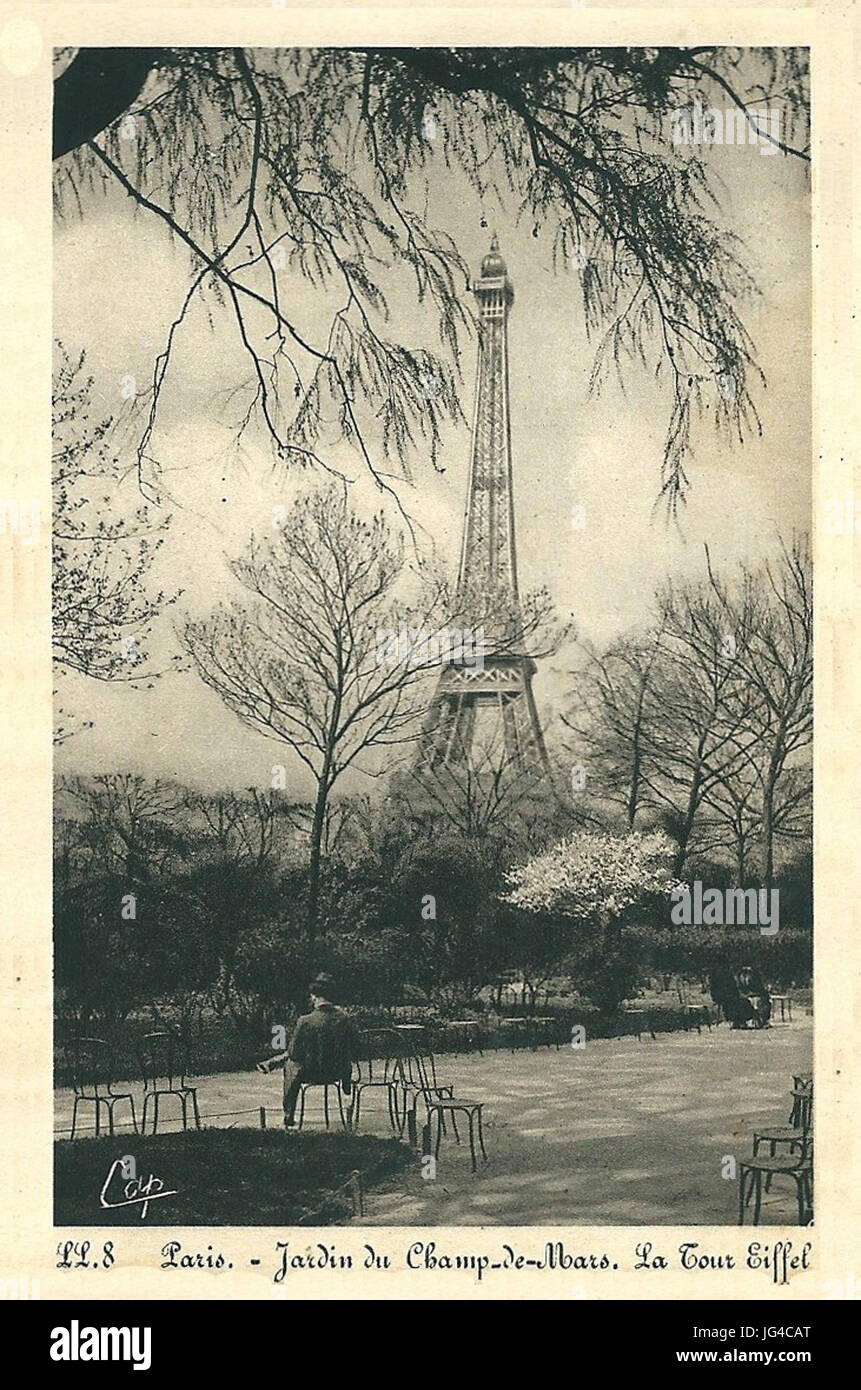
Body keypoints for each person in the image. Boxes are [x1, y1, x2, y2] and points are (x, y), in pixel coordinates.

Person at [257, 974, 359, 1128]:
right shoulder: (345, 1019)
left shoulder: (305, 1021)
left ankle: (288, 1113)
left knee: (291, 1064)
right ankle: (346, 1089)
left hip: (312, 1072)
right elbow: (355, 1045)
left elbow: (294, 1053)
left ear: (315, 997)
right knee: (296, 1059)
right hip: (338, 1072)